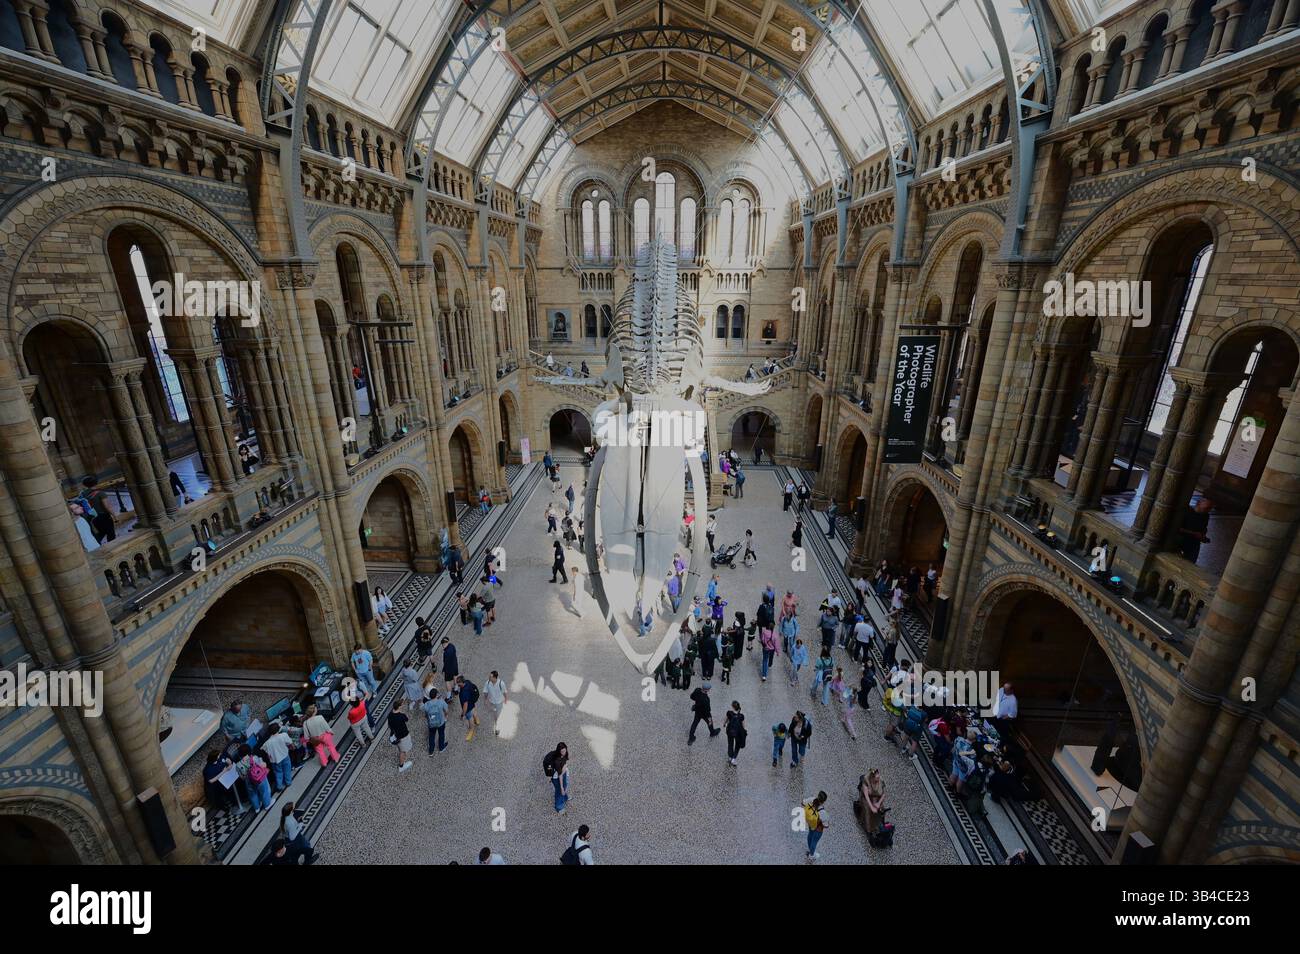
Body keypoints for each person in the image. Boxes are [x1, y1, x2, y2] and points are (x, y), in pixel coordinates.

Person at [234, 744, 272, 811]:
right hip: (258, 779)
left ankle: (257, 808)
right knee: (264, 791)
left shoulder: (238, 765)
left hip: (248, 781)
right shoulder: (254, 758)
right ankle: (267, 805)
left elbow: (242, 777)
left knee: (252, 795)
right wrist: (265, 763)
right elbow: (263, 766)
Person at [80, 477, 116, 542]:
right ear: (96, 483)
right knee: (111, 533)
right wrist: (114, 516)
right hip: (103, 516)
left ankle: (96, 544)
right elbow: (107, 506)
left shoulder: (82, 494)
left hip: (92, 516)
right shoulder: (100, 493)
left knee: (101, 532)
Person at [1178, 497, 1214, 562]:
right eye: (1206, 508)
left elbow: (1204, 528)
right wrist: (1194, 533)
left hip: (1194, 541)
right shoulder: (1187, 512)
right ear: (1198, 504)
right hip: (1182, 538)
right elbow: (1178, 528)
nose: (1208, 510)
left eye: (1209, 509)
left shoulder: (1206, 515)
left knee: (1191, 560)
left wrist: (1203, 536)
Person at [262, 722, 293, 791]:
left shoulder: (267, 743)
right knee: (287, 769)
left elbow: (267, 754)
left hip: (275, 760)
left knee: (278, 773)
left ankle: (279, 786)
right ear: (278, 729)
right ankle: (288, 782)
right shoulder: (284, 735)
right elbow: (290, 743)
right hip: (285, 756)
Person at [388, 697, 414, 772]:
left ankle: (402, 762)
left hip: (396, 735)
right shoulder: (401, 716)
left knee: (401, 749)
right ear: (399, 707)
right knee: (403, 751)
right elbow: (407, 719)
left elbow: (390, 725)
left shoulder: (390, 715)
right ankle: (401, 766)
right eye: (402, 705)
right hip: (403, 736)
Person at [544, 742, 571, 813]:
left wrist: (565, 767)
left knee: (564, 786)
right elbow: (560, 775)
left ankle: (564, 797)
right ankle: (559, 807)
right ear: (559, 751)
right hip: (557, 777)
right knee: (559, 791)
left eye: (565, 750)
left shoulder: (564, 754)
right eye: (562, 751)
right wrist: (561, 787)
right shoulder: (557, 761)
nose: (564, 752)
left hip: (562, 773)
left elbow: (565, 763)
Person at [803, 791, 829, 860]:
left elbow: (802, 803)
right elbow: (826, 825)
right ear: (824, 801)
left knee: (810, 836)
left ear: (818, 796)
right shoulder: (823, 811)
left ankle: (810, 851)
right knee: (814, 841)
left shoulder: (811, 800)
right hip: (818, 828)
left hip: (810, 823)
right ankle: (811, 855)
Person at [422, 689, 449, 755]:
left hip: (431, 724)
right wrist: (446, 716)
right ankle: (441, 748)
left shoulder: (426, 704)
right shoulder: (441, 702)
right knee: (441, 734)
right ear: (436, 695)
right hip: (441, 722)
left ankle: (431, 751)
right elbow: (446, 710)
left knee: (431, 736)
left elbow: (425, 714)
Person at [482, 670, 508, 736]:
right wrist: (485, 699)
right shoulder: (488, 683)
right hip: (492, 702)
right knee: (494, 713)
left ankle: (497, 728)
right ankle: (496, 717)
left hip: (499, 702)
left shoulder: (501, 683)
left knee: (497, 716)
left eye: (490, 677)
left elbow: (505, 692)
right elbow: (485, 691)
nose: (489, 677)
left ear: (495, 677)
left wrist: (506, 699)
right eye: (489, 676)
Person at [457, 674, 481, 741]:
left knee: (470, 719)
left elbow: (465, 706)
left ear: (462, 682)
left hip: (468, 707)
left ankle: (471, 730)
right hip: (472, 702)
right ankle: (477, 720)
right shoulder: (467, 682)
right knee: (474, 710)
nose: (457, 684)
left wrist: (463, 714)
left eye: (458, 683)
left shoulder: (464, 693)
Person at [862, 769, 886, 834]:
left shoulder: (881, 780)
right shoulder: (866, 780)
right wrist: (871, 807)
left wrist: (878, 803)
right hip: (867, 798)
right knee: (868, 810)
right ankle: (869, 829)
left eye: (879, 776)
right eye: (877, 777)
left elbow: (884, 793)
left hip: (876, 798)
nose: (878, 778)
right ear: (872, 777)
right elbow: (866, 796)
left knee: (882, 809)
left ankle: (879, 825)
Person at [724, 701, 747, 765]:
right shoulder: (741, 716)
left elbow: (725, 721)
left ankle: (730, 757)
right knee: (737, 745)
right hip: (738, 733)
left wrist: (724, 724)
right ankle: (734, 759)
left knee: (730, 744)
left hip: (730, 732)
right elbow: (743, 726)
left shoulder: (729, 713)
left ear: (732, 707)